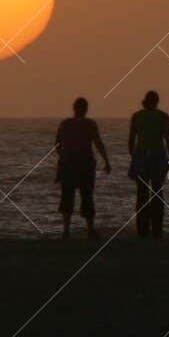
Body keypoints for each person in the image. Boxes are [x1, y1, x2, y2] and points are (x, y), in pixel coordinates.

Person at [55, 97, 109, 239]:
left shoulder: (65, 124)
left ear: (74, 108)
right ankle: (90, 230)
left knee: (67, 196)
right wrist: (106, 161)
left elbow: (57, 145)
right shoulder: (90, 124)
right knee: (86, 196)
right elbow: (98, 143)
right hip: (85, 163)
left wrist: (63, 157)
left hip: (69, 164)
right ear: (85, 109)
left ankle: (66, 231)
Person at [128, 90, 169, 238]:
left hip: (141, 156)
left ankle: (142, 230)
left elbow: (130, 140)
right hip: (157, 155)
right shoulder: (163, 117)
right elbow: (168, 137)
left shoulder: (136, 116)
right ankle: (157, 230)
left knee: (141, 193)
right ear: (157, 102)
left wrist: (134, 157)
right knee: (157, 191)